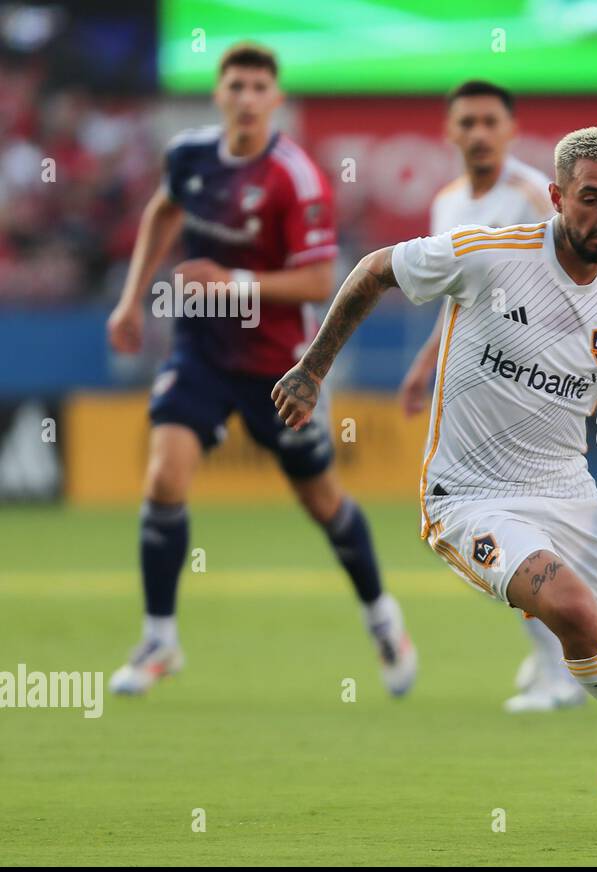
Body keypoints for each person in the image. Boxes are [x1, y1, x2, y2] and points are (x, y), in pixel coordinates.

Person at [272, 126, 597, 780]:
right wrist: (312, 370)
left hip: (568, 491)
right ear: (556, 196)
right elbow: (374, 270)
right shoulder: (490, 254)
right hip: (469, 497)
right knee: (570, 607)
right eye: (590, 198)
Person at [105, 42, 415, 696]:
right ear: (219, 93)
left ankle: (382, 616)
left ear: (274, 99)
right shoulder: (189, 156)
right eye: (235, 85)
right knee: (163, 476)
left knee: (321, 500)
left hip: (282, 368)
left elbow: (317, 283)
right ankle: (160, 638)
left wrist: (231, 281)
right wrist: (132, 299)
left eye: (257, 87)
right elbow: (163, 209)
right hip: (199, 353)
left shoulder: (295, 178)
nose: (245, 96)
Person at [397, 80, 580, 714]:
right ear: (450, 131)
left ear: (510, 129)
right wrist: (425, 366)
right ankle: (554, 657)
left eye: (488, 121)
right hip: (473, 389)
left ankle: (563, 669)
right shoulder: (447, 202)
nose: (477, 133)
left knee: (514, 529)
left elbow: (572, 286)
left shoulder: (532, 197)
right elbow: (455, 295)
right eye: (466, 122)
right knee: (497, 532)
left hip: (530, 388)